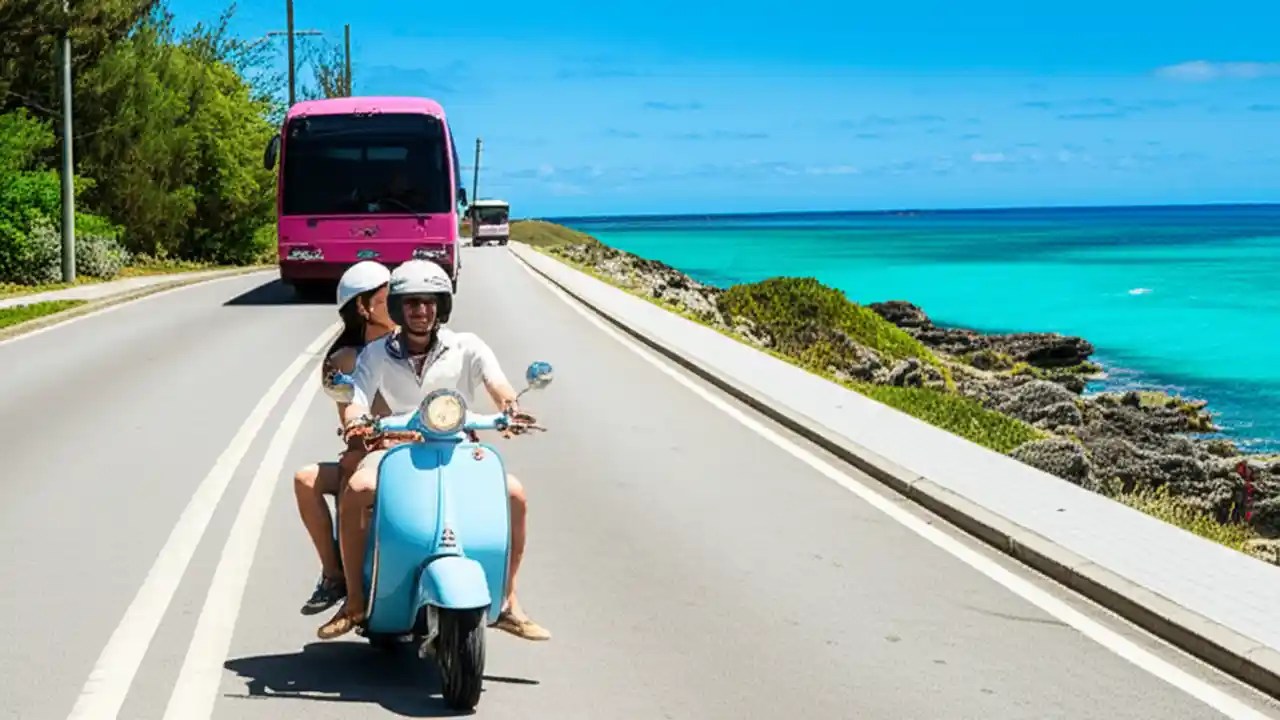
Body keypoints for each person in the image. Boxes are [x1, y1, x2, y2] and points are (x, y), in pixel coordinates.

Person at [316, 259, 551, 643]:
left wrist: (511, 410)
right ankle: (355, 602)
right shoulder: (376, 353)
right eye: (411, 303)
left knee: (515, 494)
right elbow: (357, 394)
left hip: (459, 447)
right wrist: (357, 418)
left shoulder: (467, 346)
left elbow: (498, 385)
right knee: (359, 490)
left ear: (442, 306)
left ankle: (509, 601)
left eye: (429, 302)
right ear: (397, 308)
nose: (421, 311)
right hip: (398, 447)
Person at [293, 260, 397, 616]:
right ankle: (335, 574)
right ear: (362, 307)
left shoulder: (414, 343)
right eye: (387, 300)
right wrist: (368, 435)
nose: (400, 306)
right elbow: (351, 421)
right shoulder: (346, 360)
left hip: (419, 446)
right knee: (308, 478)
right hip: (374, 451)